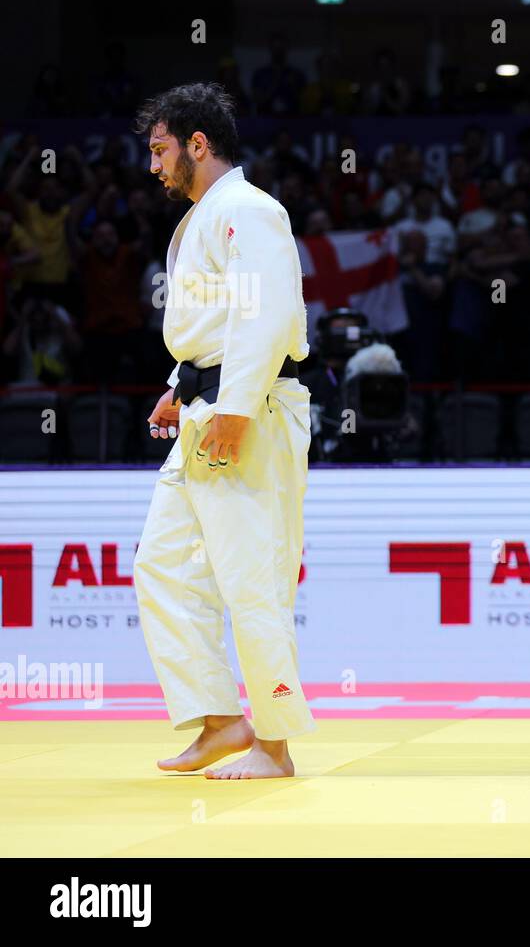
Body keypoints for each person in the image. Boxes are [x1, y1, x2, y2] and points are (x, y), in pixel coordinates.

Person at [131, 82, 313, 780]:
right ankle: (218, 718)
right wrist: (180, 390)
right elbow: (214, 326)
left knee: (252, 579)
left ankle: (274, 743)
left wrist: (233, 409)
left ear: (196, 145)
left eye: (160, 150)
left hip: (251, 412)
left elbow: (263, 318)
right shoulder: (208, 216)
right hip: (209, 407)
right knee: (163, 566)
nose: (154, 167)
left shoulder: (249, 209)